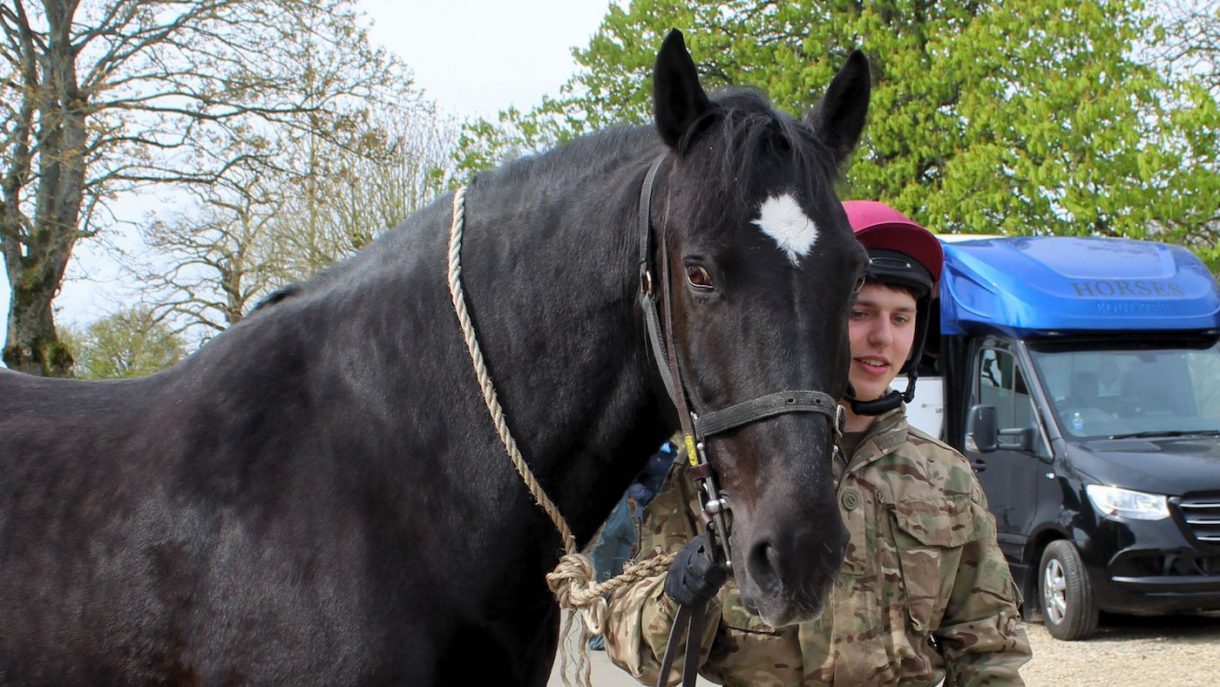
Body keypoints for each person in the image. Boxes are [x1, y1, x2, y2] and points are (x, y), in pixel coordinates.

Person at [603, 201, 1031, 685]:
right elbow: (644, 656)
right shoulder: (723, 471)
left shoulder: (946, 478)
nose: (882, 338)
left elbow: (988, 651)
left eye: (902, 317)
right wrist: (678, 595)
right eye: (859, 312)